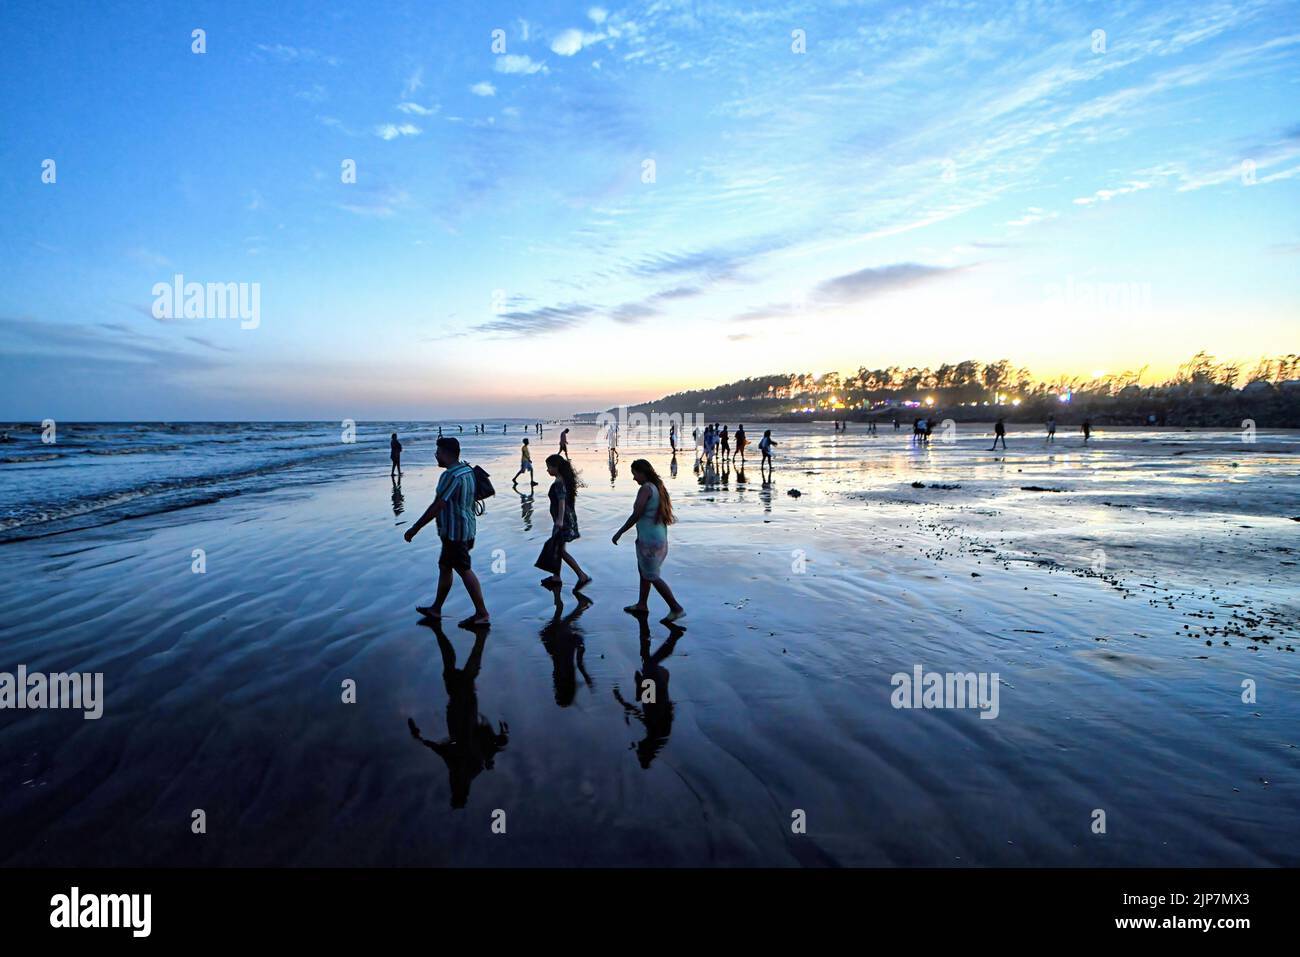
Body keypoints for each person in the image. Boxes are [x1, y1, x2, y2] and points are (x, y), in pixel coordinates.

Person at [404, 436, 490, 627]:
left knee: (463, 569)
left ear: (446, 453)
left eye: (438, 452)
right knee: (445, 567)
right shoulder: (467, 469)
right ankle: (436, 609)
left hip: (455, 533)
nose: (436, 455)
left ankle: (482, 613)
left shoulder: (450, 475)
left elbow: (438, 506)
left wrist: (415, 528)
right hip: (467, 528)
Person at [612, 459, 685, 623]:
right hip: (657, 537)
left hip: (650, 541)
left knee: (652, 575)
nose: (634, 478)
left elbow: (636, 514)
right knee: (644, 572)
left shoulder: (646, 488)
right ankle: (642, 604)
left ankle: (676, 608)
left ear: (642, 473)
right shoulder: (657, 487)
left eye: (635, 474)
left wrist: (620, 532)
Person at [540, 454, 592, 590]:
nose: (547, 470)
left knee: (560, 550)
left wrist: (560, 520)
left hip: (563, 521)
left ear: (556, 467)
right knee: (559, 548)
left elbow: (562, 502)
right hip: (566, 518)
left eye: (549, 467)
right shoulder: (564, 480)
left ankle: (582, 575)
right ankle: (556, 577)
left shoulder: (558, 482)